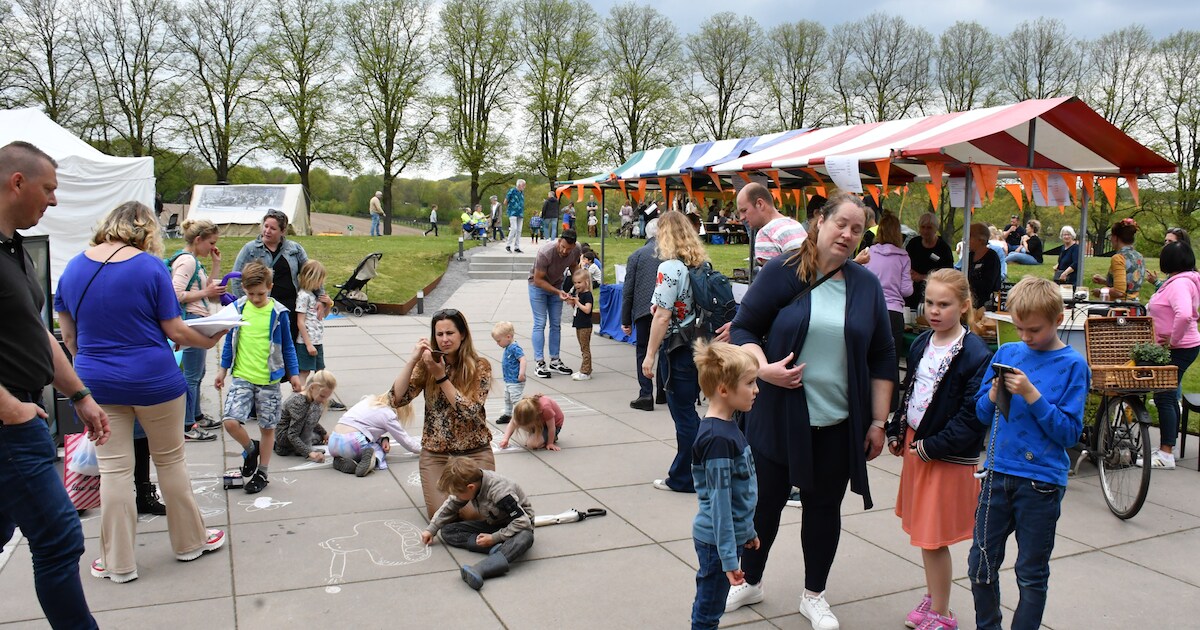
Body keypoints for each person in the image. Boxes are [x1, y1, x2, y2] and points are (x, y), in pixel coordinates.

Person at [725, 192, 897, 629]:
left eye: (857, 229)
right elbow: (745, 325)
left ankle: (814, 594)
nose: (847, 234)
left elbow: (882, 355)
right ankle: (750, 580)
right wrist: (763, 369)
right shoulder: (783, 271)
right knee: (762, 507)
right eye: (841, 223)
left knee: (823, 512)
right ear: (819, 221)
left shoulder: (865, 285)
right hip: (779, 417)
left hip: (837, 423)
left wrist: (878, 422)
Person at [54, 201, 226, 584]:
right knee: (170, 462)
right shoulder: (149, 267)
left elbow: (68, 338)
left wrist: (96, 367)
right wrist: (211, 339)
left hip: (97, 383)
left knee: (115, 471)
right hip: (154, 380)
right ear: (146, 229)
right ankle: (190, 543)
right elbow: (176, 331)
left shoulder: (73, 267)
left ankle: (117, 562)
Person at [0, 141, 109, 628]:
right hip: (11, 424)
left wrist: (80, 394)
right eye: (48, 189)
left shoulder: (14, 250)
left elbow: (37, 333)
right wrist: (10, 408)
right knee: (60, 537)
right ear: (16, 182)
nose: (55, 201)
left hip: (26, 411)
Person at [970, 276, 1088, 630]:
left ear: (1058, 318)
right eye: (1018, 328)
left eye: (1033, 329)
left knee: (1031, 574)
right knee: (980, 567)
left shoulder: (1073, 366)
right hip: (997, 474)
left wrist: (1032, 395)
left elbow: (1068, 432)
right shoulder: (1007, 353)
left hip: (1041, 484)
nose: (1025, 337)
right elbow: (979, 413)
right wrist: (992, 395)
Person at [886, 269, 992, 630]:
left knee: (933, 538)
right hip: (920, 446)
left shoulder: (975, 353)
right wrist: (898, 429)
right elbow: (912, 392)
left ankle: (943, 615)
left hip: (945, 455)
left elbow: (971, 418)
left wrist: (931, 447)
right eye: (929, 302)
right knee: (924, 534)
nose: (934, 310)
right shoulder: (921, 343)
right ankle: (935, 595)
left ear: (963, 307)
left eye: (944, 304)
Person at [391, 308, 493, 519]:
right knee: (442, 517)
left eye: (450, 333)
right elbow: (397, 398)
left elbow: (469, 411)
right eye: (439, 334)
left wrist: (441, 377)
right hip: (437, 453)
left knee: (474, 515)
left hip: (473, 451)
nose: (445, 339)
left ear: (462, 334)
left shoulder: (480, 366)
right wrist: (412, 361)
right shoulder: (427, 364)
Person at [689, 340, 761, 630]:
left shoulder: (728, 427)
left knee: (712, 603)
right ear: (723, 389)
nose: (756, 390)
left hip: (726, 538)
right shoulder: (719, 439)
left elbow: (738, 494)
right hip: (716, 542)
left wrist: (748, 530)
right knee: (709, 610)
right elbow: (720, 505)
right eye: (750, 383)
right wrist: (729, 559)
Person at [214, 262, 304, 495]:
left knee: (267, 427)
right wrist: (222, 370)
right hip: (242, 376)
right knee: (230, 420)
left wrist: (293, 374)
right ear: (243, 288)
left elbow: (288, 347)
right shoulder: (239, 308)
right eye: (250, 293)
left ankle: (262, 472)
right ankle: (249, 448)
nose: (255, 298)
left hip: (268, 380)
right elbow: (230, 343)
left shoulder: (279, 313)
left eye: (261, 293)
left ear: (270, 287)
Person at [642, 211, 710, 494]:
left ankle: (686, 477)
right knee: (690, 412)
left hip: (677, 348)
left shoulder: (670, 268)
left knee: (683, 415)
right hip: (699, 345)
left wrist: (649, 354)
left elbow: (662, 316)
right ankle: (699, 469)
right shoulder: (701, 264)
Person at [420, 457, 534, 590]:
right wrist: (431, 529)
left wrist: (494, 538)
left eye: (457, 493)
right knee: (448, 530)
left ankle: (481, 569)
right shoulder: (470, 485)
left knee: (525, 538)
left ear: (470, 487)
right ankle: (500, 548)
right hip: (495, 524)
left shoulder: (500, 491)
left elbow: (523, 521)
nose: (456, 496)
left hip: (517, 527)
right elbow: (451, 505)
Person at [230, 208, 328, 350]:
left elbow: (311, 273)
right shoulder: (250, 249)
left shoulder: (295, 249)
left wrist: (321, 297)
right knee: (269, 346)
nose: (267, 231)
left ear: (282, 231)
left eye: (273, 228)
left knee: (289, 348)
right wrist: (245, 303)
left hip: (290, 306)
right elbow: (236, 278)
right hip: (264, 305)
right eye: (266, 226)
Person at [1145, 241, 1200, 470]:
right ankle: (1170, 447)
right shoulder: (1181, 281)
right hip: (1181, 347)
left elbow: (1185, 315)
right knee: (1164, 395)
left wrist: (1172, 341)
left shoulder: (1179, 284)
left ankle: (1166, 453)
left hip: (1179, 348)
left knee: (1165, 396)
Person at [171, 219, 225, 440]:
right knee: (191, 376)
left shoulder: (195, 261)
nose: (212, 247)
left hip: (197, 319)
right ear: (198, 239)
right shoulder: (187, 262)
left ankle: (196, 415)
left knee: (198, 372)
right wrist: (205, 294)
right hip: (191, 320)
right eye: (210, 243)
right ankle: (187, 424)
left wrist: (215, 265)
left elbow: (205, 288)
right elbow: (175, 293)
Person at [861, 212, 913, 383]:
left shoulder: (869, 253)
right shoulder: (903, 257)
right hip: (893, 313)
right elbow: (907, 290)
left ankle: (865, 399)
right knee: (891, 360)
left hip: (870, 310)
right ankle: (889, 403)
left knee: (868, 357)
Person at [622, 219, 667, 411]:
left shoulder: (636, 256)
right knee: (664, 350)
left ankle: (646, 393)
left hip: (642, 311)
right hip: (665, 310)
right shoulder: (671, 255)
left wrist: (626, 319)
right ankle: (663, 391)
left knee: (643, 351)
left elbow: (628, 291)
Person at [527, 228, 581, 379]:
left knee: (556, 324)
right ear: (559, 241)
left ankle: (555, 360)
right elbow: (538, 280)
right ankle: (539, 362)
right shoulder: (546, 252)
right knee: (540, 322)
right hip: (537, 287)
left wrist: (579, 286)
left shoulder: (576, 250)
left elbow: (574, 266)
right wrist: (559, 292)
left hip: (557, 285)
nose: (565, 251)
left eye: (568, 249)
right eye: (562, 247)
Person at [329, 391, 422, 476]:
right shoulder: (388, 415)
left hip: (333, 442)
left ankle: (339, 460)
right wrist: (422, 450)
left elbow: (365, 429)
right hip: (352, 443)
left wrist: (382, 440)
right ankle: (373, 461)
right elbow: (404, 439)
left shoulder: (368, 401)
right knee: (378, 449)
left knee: (362, 444)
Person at [273, 370, 336, 462]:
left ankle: (300, 447)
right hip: (284, 436)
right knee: (316, 437)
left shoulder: (311, 397)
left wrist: (324, 433)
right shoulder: (299, 402)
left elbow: (309, 421)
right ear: (312, 387)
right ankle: (287, 448)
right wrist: (309, 453)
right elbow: (292, 435)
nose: (324, 400)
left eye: (327, 397)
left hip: (298, 430)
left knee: (319, 436)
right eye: (322, 396)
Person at [738, 182, 806, 267]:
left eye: (744, 210)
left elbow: (771, 278)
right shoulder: (796, 225)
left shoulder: (766, 234)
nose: (741, 217)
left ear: (760, 204)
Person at [905, 212, 954, 309]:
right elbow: (904, 262)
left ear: (935, 229)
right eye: (923, 227)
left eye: (929, 228)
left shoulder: (943, 248)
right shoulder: (913, 244)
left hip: (934, 294)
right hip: (912, 292)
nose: (925, 231)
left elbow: (948, 274)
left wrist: (923, 277)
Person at [1092, 218, 1146, 300]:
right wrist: (1105, 281)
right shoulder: (1139, 256)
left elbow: (1119, 292)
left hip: (1119, 308)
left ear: (1115, 238)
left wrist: (1100, 292)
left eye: (1111, 236)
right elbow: (1128, 283)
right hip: (1134, 306)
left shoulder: (1118, 258)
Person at [295, 260, 328, 384]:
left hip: (317, 340)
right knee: (304, 371)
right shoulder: (303, 296)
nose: (321, 283)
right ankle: (299, 397)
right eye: (320, 280)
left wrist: (328, 303)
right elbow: (300, 322)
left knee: (320, 371)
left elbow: (323, 315)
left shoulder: (315, 295)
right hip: (306, 342)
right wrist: (308, 344)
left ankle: (319, 398)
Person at [498, 393, 565, 451]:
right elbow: (512, 423)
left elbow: (551, 427)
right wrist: (505, 439)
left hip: (554, 425)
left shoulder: (545, 408)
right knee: (518, 422)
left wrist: (550, 443)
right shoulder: (522, 407)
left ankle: (552, 437)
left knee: (532, 445)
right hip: (539, 422)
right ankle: (538, 435)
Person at [491, 321, 526, 425]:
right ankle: (508, 414)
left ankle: (523, 416)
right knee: (507, 398)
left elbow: (523, 360)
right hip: (509, 379)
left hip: (515, 380)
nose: (498, 343)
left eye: (498, 341)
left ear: (508, 337)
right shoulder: (508, 347)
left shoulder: (515, 348)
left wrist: (521, 373)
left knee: (516, 399)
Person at [966, 223, 1002, 309]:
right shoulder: (969, 255)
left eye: (970, 236)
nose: (967, 239)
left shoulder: (991, 257)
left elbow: (988, 284)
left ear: (981, 239)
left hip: (986, 303)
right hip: (969, 298)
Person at [567, 268, 595, 381]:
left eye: (579, 282)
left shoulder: (587, 295)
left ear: (586, 282)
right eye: (575, 282)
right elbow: (577, 308)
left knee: (585, 348)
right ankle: (584, 368)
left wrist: (577, 301)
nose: (576, 285)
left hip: (585, 325)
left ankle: (586, 371)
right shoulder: (579, 294)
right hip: (579, 324)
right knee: (582, 347)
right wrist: (572, 302)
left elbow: (587, 309)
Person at [505, 179, 526, 253]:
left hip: (520, 213)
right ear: (519, 185)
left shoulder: (521, 193)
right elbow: (505, 201)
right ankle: (508, 245)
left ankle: (517, 247)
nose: (524, 187)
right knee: (514, 228)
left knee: (519, 230)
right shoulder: (512, 191)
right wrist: (511, 207)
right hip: (513, 212)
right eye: (523, 185)